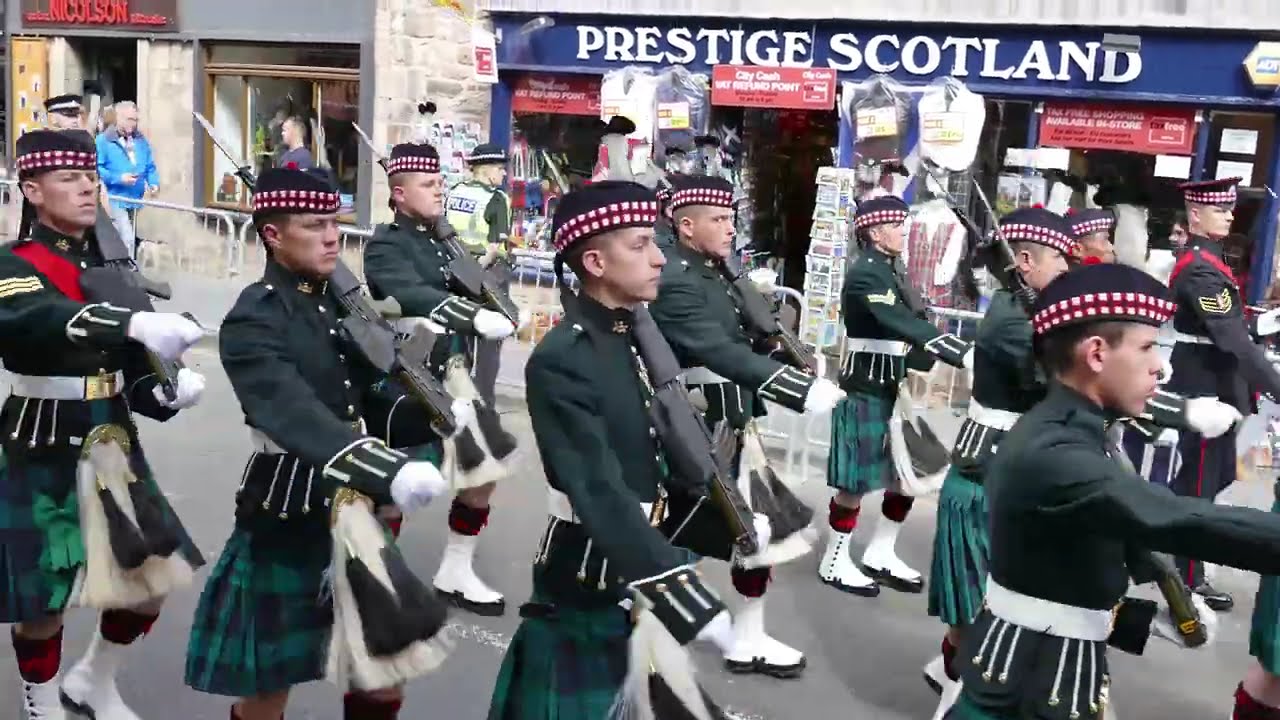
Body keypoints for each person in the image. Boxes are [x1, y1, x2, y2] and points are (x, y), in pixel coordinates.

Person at [924, 210, 1240, 718]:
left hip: (1023, 469)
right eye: (1058, 259)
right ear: (1023, 261)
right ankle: (957, 687)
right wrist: (1181, 412)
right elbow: (1076, 382)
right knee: (986, 610)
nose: (1068, 267)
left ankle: (959, 682)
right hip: (993, 468)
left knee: (1029, 594)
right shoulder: (1011, 320)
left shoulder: (1032, 324)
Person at [183, 165, 451, 720]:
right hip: (288, 510)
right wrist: (382, 467)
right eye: (314, 225)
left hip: (357, 508)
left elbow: (368, 394)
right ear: (273, 234)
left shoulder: (337, 303)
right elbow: (291, 411)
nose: (332, 236)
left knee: (383, 674)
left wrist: (427, 402)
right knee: (269, 687)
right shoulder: (255, 316)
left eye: (334, 221)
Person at [487, 179, 734, 720]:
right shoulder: (564, 358)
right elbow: (598, 487)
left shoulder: (634, 338)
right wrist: (678, 590)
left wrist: (730, 521)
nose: (659, 258)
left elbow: (659, 460)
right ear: (595, 262)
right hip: (589, 583)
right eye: (641, 244)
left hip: (640, 571)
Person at [1, 128, 206, 720]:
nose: (88, 186)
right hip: (41, 439)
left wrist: (164, 388)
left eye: (91, 174)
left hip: (111, 434)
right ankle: (42, 704)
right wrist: (129, 325)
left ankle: (92, 679)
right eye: (69, 177)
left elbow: (126, 366)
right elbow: (30, 317)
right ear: (33, 189)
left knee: (149, 582)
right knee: (45, 598)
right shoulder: (13, 263)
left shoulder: (110, 266)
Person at [649, 173, 844, 678]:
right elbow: (714, 350)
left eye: (731, 218)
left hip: (735, 423)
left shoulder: (718, 273)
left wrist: (778, 346)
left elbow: (743, 340)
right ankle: (652, 637)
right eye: (718, 219)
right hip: (697, 423)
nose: (730, 228)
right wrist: (794, 387)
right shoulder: (674, 279)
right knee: (686, 534)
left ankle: (749, 635)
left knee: (757, 536)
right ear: (686, 226)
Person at [363, 141, 516, 617]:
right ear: (400, 192)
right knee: (395, 485)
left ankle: (455, 568)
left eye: (439, 182)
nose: (439, 191)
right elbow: (406, 292)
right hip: (408, 373)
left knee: (484, 470)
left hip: (454, 372)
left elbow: (469, 282)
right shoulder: (387, 243)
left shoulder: (444, 241)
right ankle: (372, 576)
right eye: (428, 184)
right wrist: (470, 315)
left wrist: (494, 301)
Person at [822, 195, 974, 596]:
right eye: (898, 226)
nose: (905, 232)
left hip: (894, 385)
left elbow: (914, 315)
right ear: (875, 233)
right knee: (854, 482)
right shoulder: (866, 275)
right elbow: (899, 320)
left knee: (909, 473)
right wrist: (957, 350)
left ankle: (881, 550)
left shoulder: (892, 269)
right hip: (865, 386)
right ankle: (835, 559)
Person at [1164, 176, 1280, 612]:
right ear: (1196, 215)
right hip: (1205, 388)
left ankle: (1169, 546)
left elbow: (1231, 323)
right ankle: (1186, 578)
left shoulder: (1211, 261)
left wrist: (1263, 323)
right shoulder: (1199, 267)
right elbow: (1230, 338)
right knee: (1199, 486)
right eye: (1219, 209)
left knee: (1212, 479)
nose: (1230, 215)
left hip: (1215, 383)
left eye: (1229, 208)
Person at [443, 142, 515, 406]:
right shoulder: (497, 199)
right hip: (488, 275)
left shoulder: (454, 192)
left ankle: (457, 393)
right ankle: (483, 400)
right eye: (500, 168)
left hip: (457, 269)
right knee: (490, 340)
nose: (504, 174)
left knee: (461, 335)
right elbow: (495, 247)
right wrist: (476, 272)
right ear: (485, 170)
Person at [95, 101, 158, 260]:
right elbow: (96, 168)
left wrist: (154, 183)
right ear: (118, 118)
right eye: (129, 119)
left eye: (135, 120)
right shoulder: (103, 141)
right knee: (127, 239)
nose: (133, 124)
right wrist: (118, 178)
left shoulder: (140, 141)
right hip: (114, 199)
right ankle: (127, 274)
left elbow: (150, 165)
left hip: (134, 200)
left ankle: (121, 268)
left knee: (126, 238)